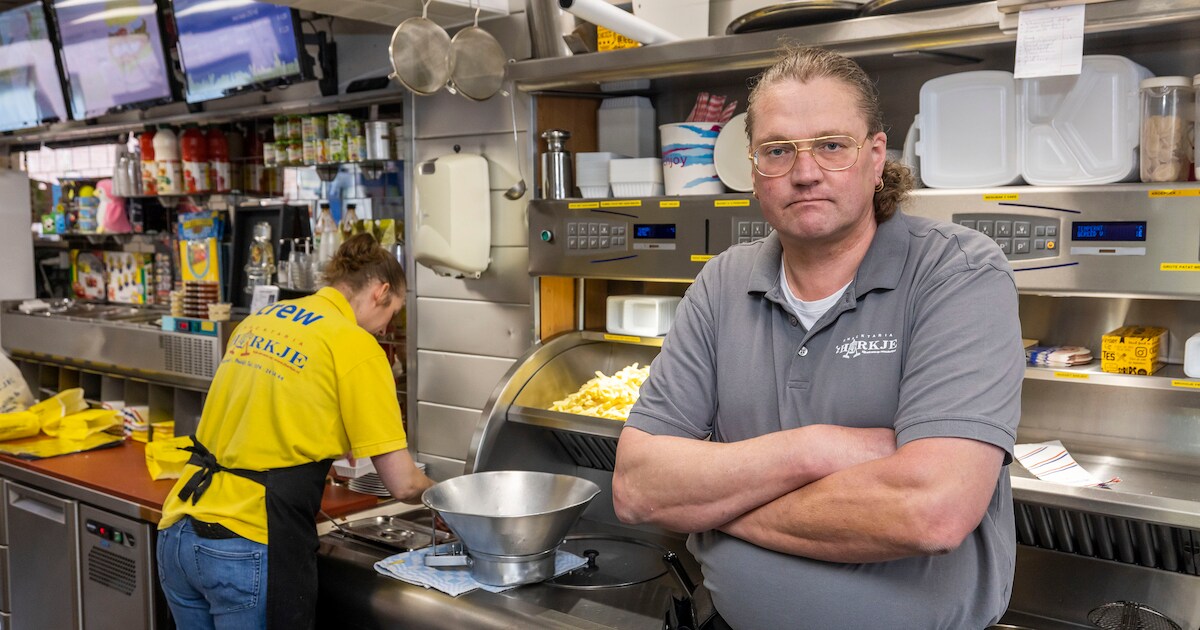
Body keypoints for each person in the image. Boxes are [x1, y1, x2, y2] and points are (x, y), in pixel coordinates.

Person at [612, 46, 1023, 629]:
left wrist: (712, 506)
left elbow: (931, 510)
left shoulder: (958, 273)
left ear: (876, 157)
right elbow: (636, 488)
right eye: (778, 151)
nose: (805, 172)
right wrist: (820, 449)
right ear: (754, 169)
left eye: (832, 145)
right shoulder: (723, 281)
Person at [157, 232, 434, 630]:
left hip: (178, 531)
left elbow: (265, 411)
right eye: (394, 312)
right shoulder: (355, 344)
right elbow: (403, 485)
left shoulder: (263, 320)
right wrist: (450, 501)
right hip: (245, 546)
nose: (386, 327)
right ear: (380, 292)